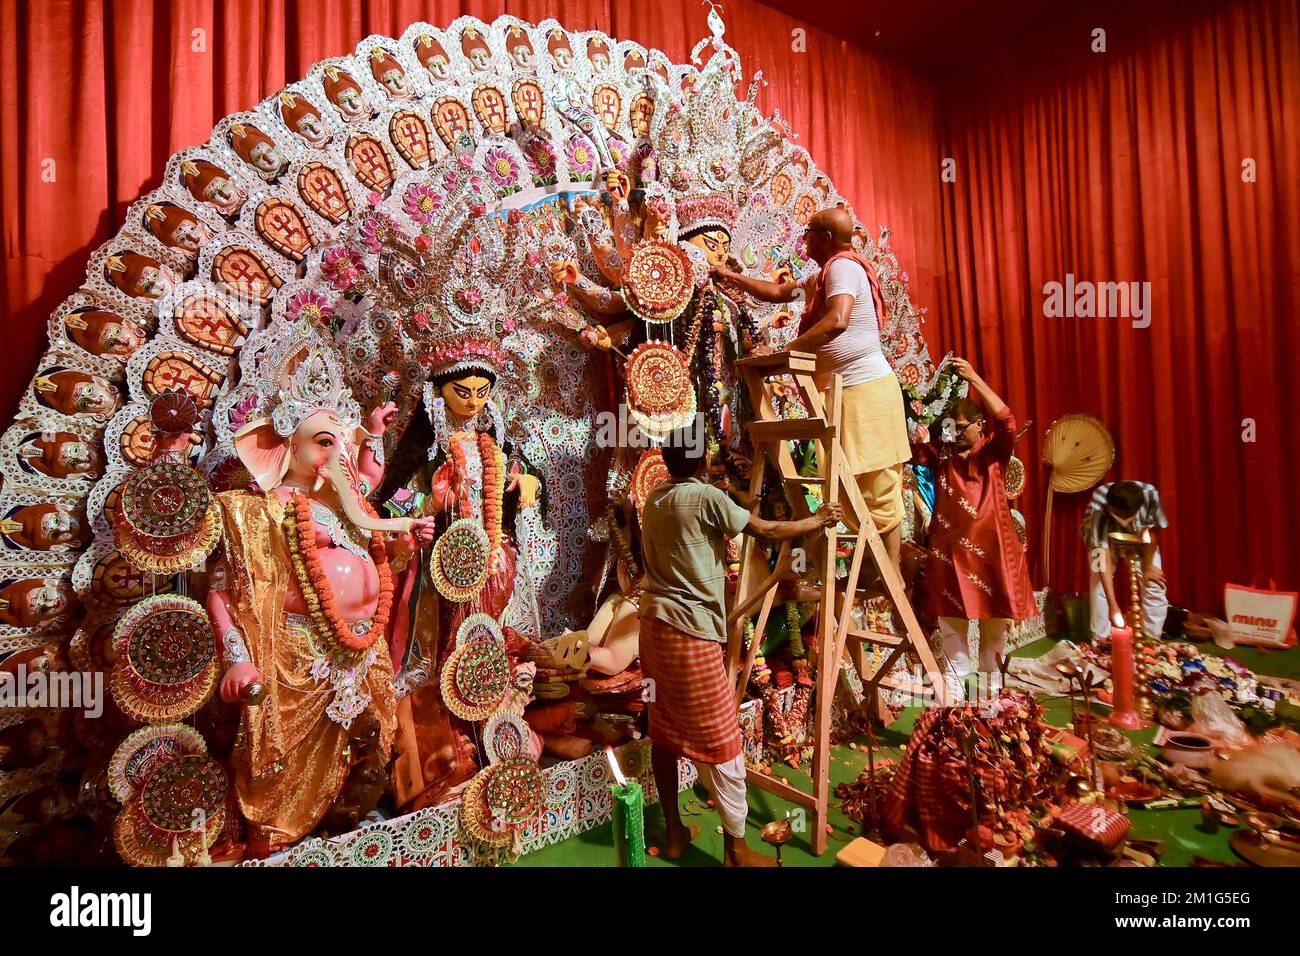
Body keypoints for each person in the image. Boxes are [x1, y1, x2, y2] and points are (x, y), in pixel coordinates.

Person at [639, 421, 842, 865]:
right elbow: (765, 531)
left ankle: (674, 834)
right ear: (700, 460)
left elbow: (717, 517)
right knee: (725, 741)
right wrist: (817, 519)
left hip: (654, 631)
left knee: (665, 734)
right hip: (692, 635)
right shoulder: (707, 498)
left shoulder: (654, 499)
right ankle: (736, 850)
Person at [715, 206, 910, 576]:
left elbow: (838, 320)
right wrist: (730, 278)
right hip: (843, 391)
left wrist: (787, 353)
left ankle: (892, 570)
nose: (802, 239)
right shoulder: (822, 275)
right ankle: (878, 568)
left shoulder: (843, 268)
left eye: (807, 233)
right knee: (846, 479)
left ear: (824, 237)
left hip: (864, 389)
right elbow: (776, 292)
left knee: (877, 484)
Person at [911, 359, 1035, 701]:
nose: (955, 434)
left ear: (980, 426)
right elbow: (913, 452)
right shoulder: (941, 455)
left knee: (994, 634)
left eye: (962, 427)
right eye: (950, 427)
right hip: (951, 557)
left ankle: (989, 702)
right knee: (953, 634)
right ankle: (952, 706)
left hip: (993, 555)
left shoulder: (993, 453)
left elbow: (1006, 418)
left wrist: (974, 378)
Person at [1081, 480, 1169, 642]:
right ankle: (1101, 639)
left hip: (1141, 537)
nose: (1125, 519)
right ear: (1111, 507)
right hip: (1104, 540)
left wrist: (1149, 565)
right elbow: (1103, 558)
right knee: (1098, 583)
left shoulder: (1150, 497)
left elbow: (1155, 529)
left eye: (1129, 516)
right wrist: (1113, 605)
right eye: (1121, 516)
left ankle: (1152, 639)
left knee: (1155, 584)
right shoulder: (1098, 509)